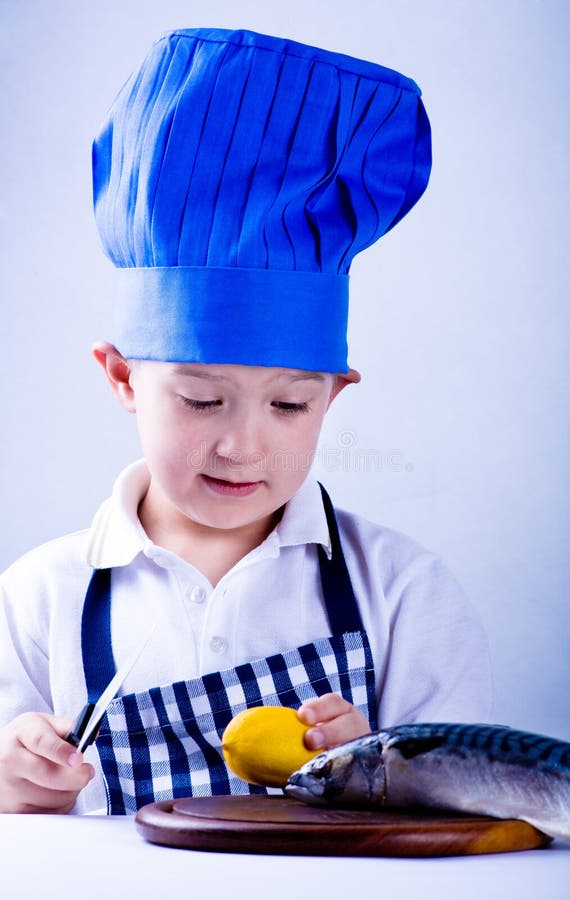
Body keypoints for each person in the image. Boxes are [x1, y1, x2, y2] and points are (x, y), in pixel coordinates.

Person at [0, 28, 492, 815]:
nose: (242, 445)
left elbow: (472, 823)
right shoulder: (35, 599)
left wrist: (385, 776)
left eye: (289, 404)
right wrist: (16, 789)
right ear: (122, 379)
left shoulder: (406, 593)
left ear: (333, 397)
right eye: (201, 400)